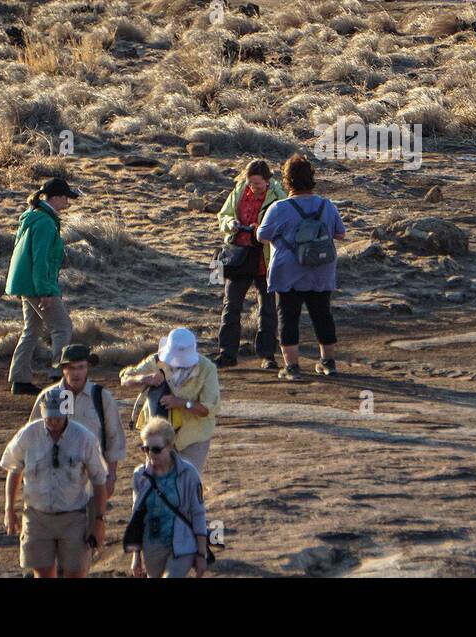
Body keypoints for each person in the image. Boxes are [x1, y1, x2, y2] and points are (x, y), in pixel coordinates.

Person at [0, 386, 108, 578]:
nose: (53, 422)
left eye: (58, 418)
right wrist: (9, 509)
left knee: (76, 572)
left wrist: (99, 520)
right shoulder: (28, 435)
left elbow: (99, 480)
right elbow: (14, 469)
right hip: (37, 517)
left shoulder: (84, 438)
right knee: (42, 573)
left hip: (73, 517)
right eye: (49, 418)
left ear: (67, 414)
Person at [256, 153, 347, 382]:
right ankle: (328, 362)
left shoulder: (279, 208)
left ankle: (292, 367)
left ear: (287, 180)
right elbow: (340, 234)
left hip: (288, 271)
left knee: (288, 317)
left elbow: (262, 236)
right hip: (321, 268)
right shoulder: (327, 205)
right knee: (322, 314)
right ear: (311, 178)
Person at [30, 344, 125, 560]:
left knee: (84, 547)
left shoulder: (101, 397)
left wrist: (111, 476)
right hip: (53, 484)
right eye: (71, 368)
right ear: (63, 369)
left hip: (91, 485)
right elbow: (33, 439)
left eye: (81, 367)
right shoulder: (48, 397)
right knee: (51, 547)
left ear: (87, 368)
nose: (76, 373)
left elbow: (114, 439)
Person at [6, 177, 83, 395]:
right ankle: (59, 377)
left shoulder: (33, 216)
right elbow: (41, 260)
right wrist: (45, 291)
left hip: (25, 283)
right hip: (37, 285)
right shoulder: (45, 223)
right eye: (66, 198)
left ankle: (19, 379)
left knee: (32, 329)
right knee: (62, 327)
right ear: (56, 197)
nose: (67, 203)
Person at [213, 159, 286, 369]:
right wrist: (230, 223)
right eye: (251, 183)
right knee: (231, 305)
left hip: (266, 258)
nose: (254, 187)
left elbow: (284, 223)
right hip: (239, 256)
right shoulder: (238, 191)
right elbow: (223, 215)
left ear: (268, 180)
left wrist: (262, 229)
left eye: (258, 184)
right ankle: (227, 353)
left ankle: (267, 356)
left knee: (268, 308)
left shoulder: (278, 197)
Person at [120, 328, 219, 475]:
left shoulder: (207, 369)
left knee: (187, 481)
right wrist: (144, 378)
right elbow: (125, 378)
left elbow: (207, 410)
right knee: (157, 479)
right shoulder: (156, 360)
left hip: (193, 438)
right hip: (157, 437)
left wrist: (182, 403)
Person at [123, 417, 209, 579]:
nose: (150, 454)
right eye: (146, 449)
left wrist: (201, 554)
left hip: (182, 545)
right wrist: (136, 556)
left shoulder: (188, 474)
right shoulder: (140, 476)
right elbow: (137, 516)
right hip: (152, 547)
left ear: (170, 446)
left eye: (156, 449)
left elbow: (198, 514)